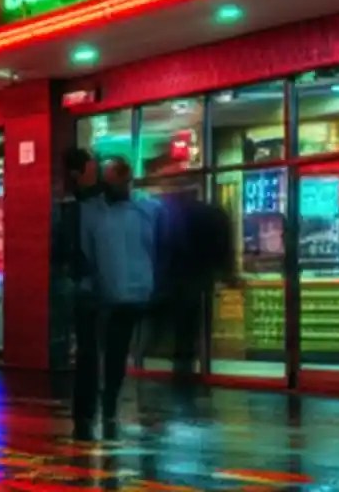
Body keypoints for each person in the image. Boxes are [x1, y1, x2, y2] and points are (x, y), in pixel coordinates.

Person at [78, 156, 161, 440]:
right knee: (112, 352)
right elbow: (87, 254)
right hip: (110, 294)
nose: (119, 186)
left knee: (122, 351)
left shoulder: (147, 209)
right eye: (114, 181)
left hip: (139, 291)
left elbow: (158, 246)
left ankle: (112, 399)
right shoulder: (92, 213)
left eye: (122, 181)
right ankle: (108, 399)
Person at [153, 192, 238, 416]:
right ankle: (187, 374)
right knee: (191, 330)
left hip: (173, 282)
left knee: (177, 332)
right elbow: (223, 249)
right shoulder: (212, 214)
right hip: (200, 281)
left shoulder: (166, 215)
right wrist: (228, 274)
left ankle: (179, 374)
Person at [52, 148, 101, 441]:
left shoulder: (74, 205)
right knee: (86, 349)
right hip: (81, 285)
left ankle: (84, 409)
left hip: (77, 283)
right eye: (90, 169)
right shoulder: (77, 207)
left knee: (84, 349)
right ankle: (85, 410)